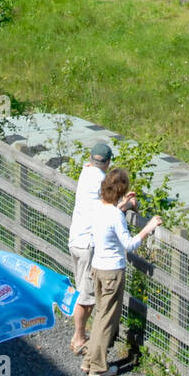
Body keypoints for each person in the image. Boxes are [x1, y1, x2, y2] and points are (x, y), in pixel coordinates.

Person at [82, 167, 161, 376]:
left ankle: (89, 360)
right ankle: (98, 367)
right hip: (112, 272)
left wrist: (122, 204)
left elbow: (110, 214)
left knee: (100, 315)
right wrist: (149, 227)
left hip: (97, 269)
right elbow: (129, 244)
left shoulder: (99, 208)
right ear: (120, 191)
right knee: (106, 320)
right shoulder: (116, 216)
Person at [67, 141, 112, 354]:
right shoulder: (101, 179)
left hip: (75, 239)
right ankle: (79, 338)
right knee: (86, 296)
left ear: (91, 159)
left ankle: (81, 335)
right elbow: (106, 209)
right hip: (87, 243)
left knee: (82, 291)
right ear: (108, 162)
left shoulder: (85, 173)